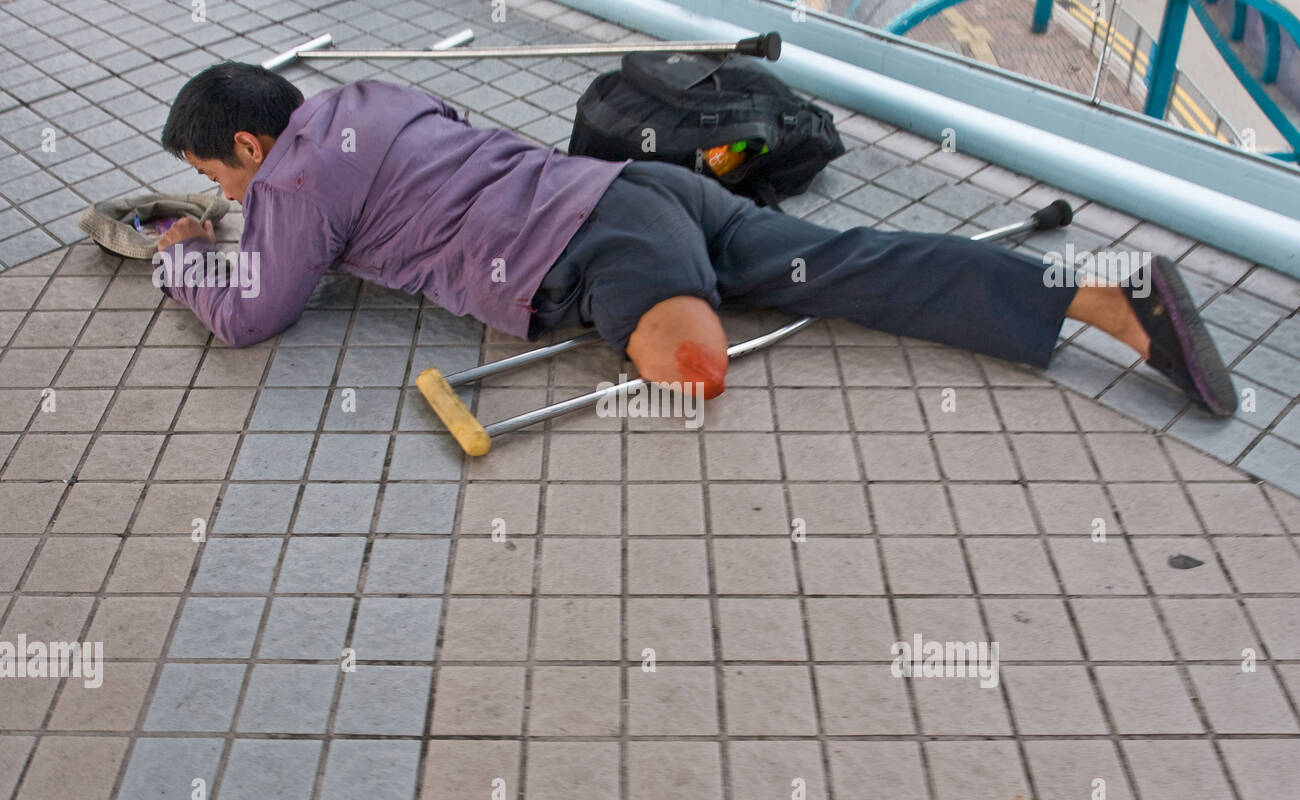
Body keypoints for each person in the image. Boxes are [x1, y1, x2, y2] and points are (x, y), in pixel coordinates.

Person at [156, 62, 1237, 416]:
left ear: (252, 140)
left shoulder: (290, 178)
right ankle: (1103, 293)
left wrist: (182, 258)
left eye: (218, 175)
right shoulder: (370, 96)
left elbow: (253, 309)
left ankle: (682, 318)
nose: (228, 194)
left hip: (589, 254)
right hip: (641, 188)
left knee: (684, 368)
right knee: (849, 263)